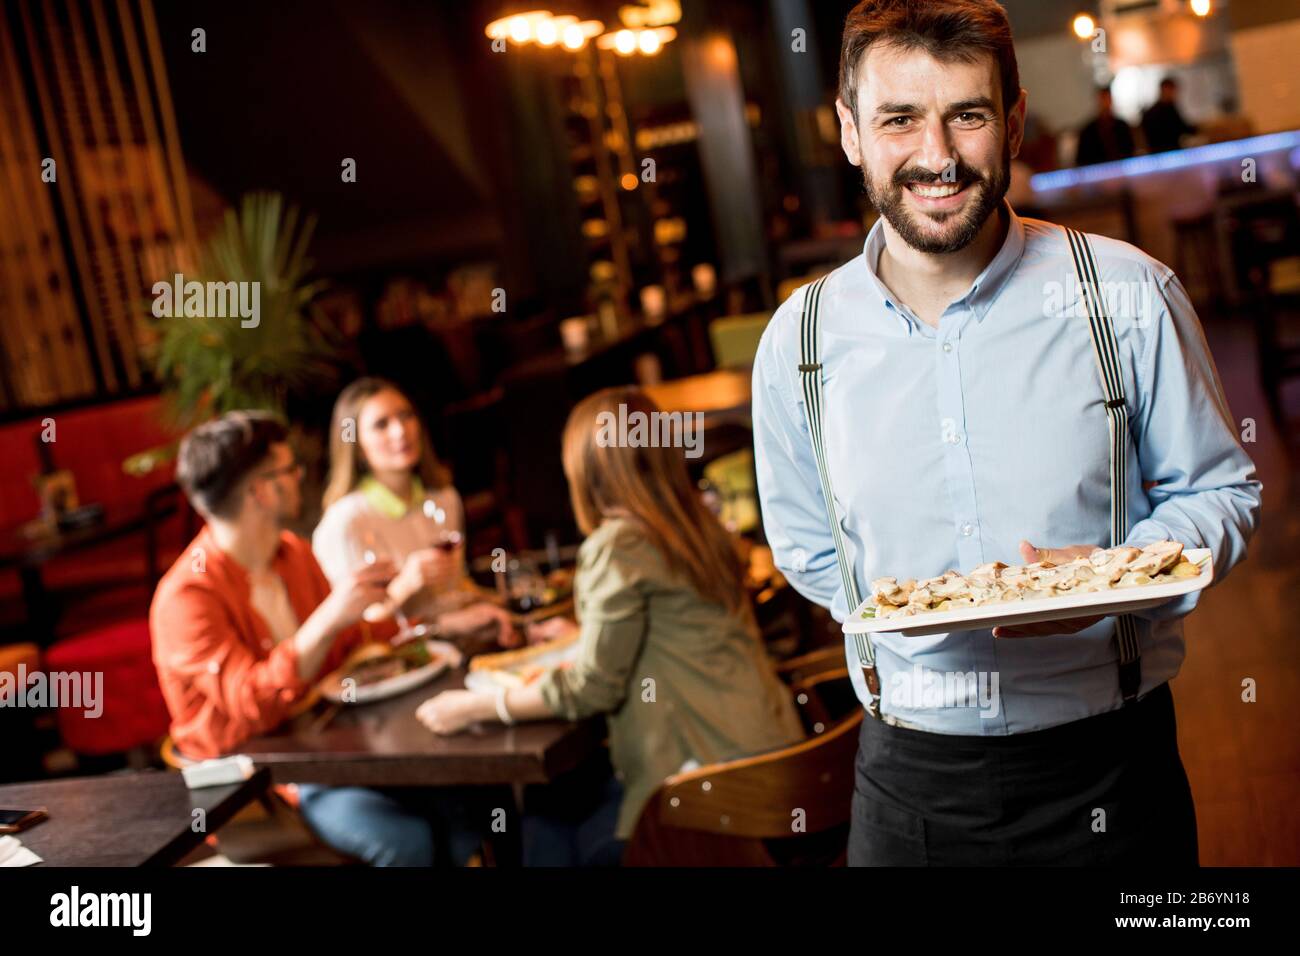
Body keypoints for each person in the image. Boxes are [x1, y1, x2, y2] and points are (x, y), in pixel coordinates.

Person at [752, 0, 1260, 866]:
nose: (937, 156)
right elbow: (806, 549)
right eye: (899, 119)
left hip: (1109, 770)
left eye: (969, 114)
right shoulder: (797, 342)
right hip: (908, 786)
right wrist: (917, 617)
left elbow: (1221, 491)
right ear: (849, 132)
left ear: (1015, 121)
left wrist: (1116, 581)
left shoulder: (1127, 296)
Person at [416, 388, 805, 865]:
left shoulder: (617, 545)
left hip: (710, 792)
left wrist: (478, 707)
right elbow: (680, 632)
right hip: (778, 764)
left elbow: (591, 689)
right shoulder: (695, 522)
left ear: (586, 469)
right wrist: (586, 636)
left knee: (544, 818)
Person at [150, 411, 482, 866]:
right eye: (289, 469)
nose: (300, 477)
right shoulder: (187, 597)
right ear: (259, 491)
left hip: (339, 754)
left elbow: (352, 642)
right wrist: (327, 621)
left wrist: (439, 628)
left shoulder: (292, 553)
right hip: (261, 793)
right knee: (405, 840)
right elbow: (253, 702)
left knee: (468, 810)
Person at [313, 378, 517, 650]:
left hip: (461, 642)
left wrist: (500, 604)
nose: (400, 431)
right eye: (381, 424)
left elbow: (456, 589)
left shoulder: (444, 497)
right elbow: (356, 633)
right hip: (404, 665)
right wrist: (407, 583)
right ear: (356, 445)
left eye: (406, 416)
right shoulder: (345, 522)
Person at [1074, 87, 1135, 166]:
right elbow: (1082, 160)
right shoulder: (1088, 131)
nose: (1105, 104)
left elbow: (1130, 152)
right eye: (1103, 100)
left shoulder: (1122, 126)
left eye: (1107, 99)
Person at [1141, 77, 1197, 154]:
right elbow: (1179, 128)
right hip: (1164, 153)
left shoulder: (1170, 108)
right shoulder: (1156, 112)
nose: (1174, 94)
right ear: (1164, 90)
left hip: (1166, 152)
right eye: (1172, 90)